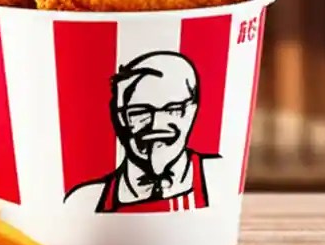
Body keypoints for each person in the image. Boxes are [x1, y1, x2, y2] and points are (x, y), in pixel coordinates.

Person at [65, 51, 214, 213]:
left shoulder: (219, 178)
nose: (157, 124)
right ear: (121, 118)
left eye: (173, 109)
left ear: (192, 111)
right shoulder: (86, 200)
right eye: (140, 112)